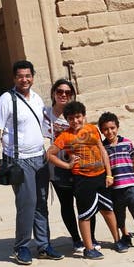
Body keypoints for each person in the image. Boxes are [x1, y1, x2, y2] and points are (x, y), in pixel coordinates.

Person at [0, 60, 63, 266]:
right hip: (19, 160)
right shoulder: (6, 100)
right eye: (20, 76)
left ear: (33, 77)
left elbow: (44, 125)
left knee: (41, 202)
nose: (24, 80)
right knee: (26, 203)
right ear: (14, 78)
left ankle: (44, 245)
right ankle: (21, 246)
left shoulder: (37, 98)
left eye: (28, 76)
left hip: (40, 158)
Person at [47, 100, 128, 260]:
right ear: (67, 120)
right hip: (82, 180)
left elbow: (102, 150)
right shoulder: (65, 136)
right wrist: (67, 165)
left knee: (108, 209)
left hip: (101, 176)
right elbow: (50, 154)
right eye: (71, 118)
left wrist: (109, 174)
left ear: (83, 116)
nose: (75, 121)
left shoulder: (92, 129)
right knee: (85, 214)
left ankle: (117, 240)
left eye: (78, 117)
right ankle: (89, 248)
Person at [42, 79, 97, 255]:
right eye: (59, 91)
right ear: (53, 93)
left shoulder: (76, 113)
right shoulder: (44, 114)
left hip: (82, 166)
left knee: (86, 202)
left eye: (67, 92)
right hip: (59, 166)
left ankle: (91, 237)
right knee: (66, 203)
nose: (63, 95)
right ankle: (76, 238)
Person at [98, 111, 134, 250]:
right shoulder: (103, 148)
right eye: (105, 129)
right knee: (119, 215)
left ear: (117, 127)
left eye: (112, 128)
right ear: (101, 131)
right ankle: (125, 235)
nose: (109, 131)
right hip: (115, 189)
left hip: (130, 186)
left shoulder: (127, 143)